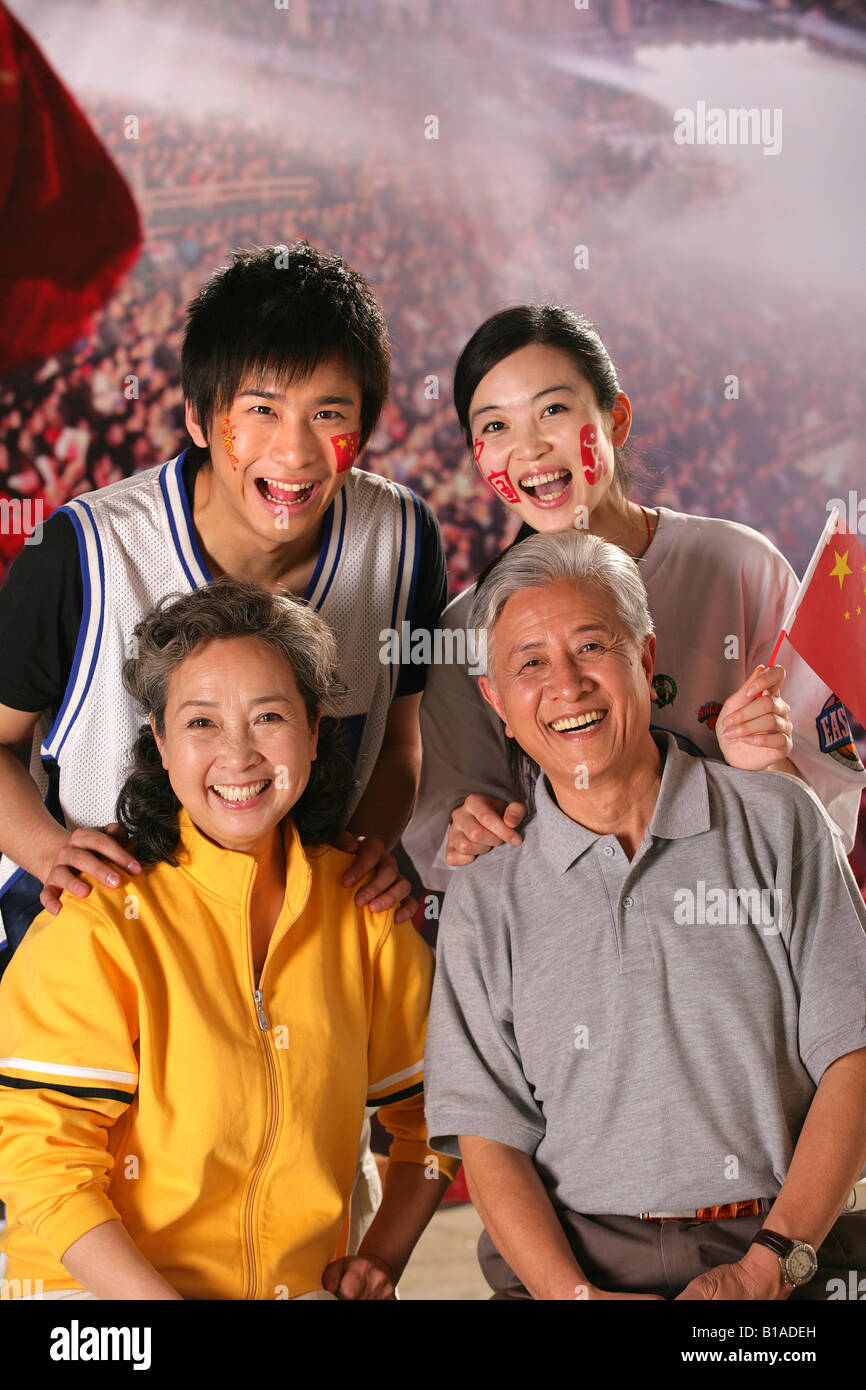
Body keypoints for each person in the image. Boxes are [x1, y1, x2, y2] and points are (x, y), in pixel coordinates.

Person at [424, 531, 866, 1301]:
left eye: (592, 646)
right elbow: (488, 1132)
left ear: (646, 660)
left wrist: (768, 1267)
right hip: (568, 1266)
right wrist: (575, 1298)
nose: (566, 685)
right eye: (529, 663)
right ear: (497, 702)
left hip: (780, 1248)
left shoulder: (779, 821)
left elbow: (855, 1056)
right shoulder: (486, 884)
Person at [0, 579, 458, 1299]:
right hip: (93, 1306)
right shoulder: (94, 918)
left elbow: (438, 1117)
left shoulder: (367, 911)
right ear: (161, 740)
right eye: (202, 723)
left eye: (268, 717)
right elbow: (40, 1164)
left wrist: (383, 1259)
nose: (238, 755)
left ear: (313, 732)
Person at [0, 241, 447, 971]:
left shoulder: (403, 538)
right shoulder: (81, 550)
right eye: (262, 411)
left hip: (299, 930)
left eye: (327, 413)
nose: (296, 452)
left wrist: (362, 851)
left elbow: (400, 742)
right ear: (200, 420)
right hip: (102, 932)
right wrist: (51, 852)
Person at [402, 305, 864, 890]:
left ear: (616, 419)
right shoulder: (468, 631)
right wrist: (469, 836)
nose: (530, 449)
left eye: (553, 410)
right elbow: (447, 854)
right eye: (495, 426)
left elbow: (832, 806)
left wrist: (774, 764)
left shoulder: (740, 566)